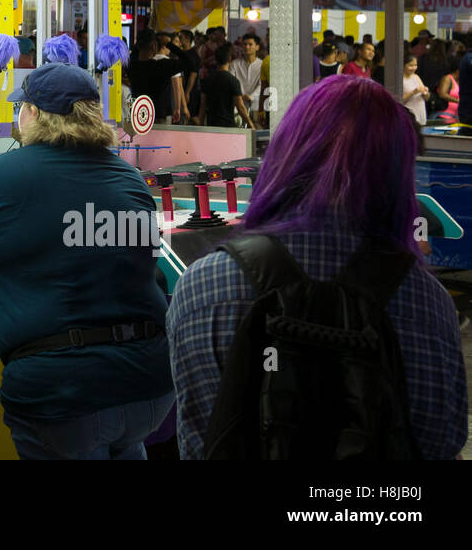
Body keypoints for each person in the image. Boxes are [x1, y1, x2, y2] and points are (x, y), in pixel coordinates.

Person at [167, 76, 467, 459]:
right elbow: (439, 445)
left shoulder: (204, 286)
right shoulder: (427, 303)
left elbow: (198, 442)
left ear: (286, 153)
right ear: (398, 174)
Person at [0, 64, 173, 460]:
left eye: (21, 107)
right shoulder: (130, 179)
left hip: (63, 393)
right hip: (150, 385)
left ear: (34, 114)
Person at [199, 43, 255, 128]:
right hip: (228, 126)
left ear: (215, 60)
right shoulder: (233, 81)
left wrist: (201, 126)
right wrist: (251, 125)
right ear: (229, 59)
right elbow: (240, 107)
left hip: (211, 126)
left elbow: (202, 106)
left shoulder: (207, 80)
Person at [229, 34, 263, 120]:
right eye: (245, 44)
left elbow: (261, 84)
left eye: (250, 44)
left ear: (257, 47)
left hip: (256, 106)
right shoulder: (235, 64)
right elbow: (232, 83)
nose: (247, 47)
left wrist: (251, 97)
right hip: (237, 107)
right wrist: (240, 96)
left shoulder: (262, 65)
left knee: (256, 129)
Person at [401, 54, 428, 125]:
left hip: (420, 113)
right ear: (403, 65)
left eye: (415, 65)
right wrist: (413, 92)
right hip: (409, 114)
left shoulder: (416, 77)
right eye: (411, 65)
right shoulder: (400, 79)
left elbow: (426, 98)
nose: (414, 68)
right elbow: (398, 100)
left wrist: (425, 92)